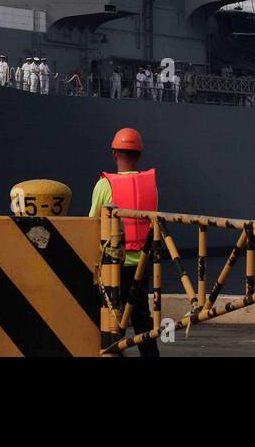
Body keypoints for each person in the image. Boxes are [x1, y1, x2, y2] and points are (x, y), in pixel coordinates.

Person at [88, 128, 160, 358]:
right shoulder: (151, 186)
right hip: (140, 264)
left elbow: (92, 223)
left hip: (112, 266)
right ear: (138, 155)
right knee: (141, 319)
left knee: (111, 319)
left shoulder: (104, 186)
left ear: (114, 154)